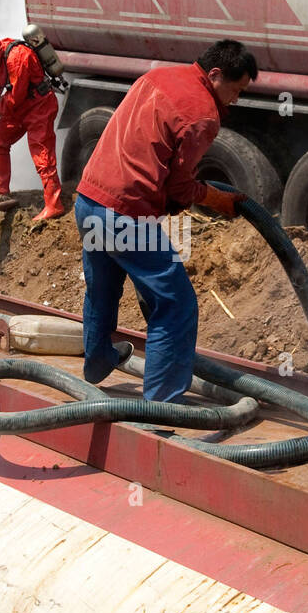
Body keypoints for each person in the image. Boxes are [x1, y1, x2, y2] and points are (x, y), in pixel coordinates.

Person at [74, 39, 257, 402]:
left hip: (89, 200)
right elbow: (179, 184)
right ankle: (161, 408)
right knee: (175, 305)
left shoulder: (157, 77)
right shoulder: (204, 114)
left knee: (103, 289)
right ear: (216, 74)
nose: (235, 100)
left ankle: (97, 362)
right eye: (235, 91)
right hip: (126, 217)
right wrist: (216, 198)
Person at [0, 32, 65, 221]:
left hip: (39, 107)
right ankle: (0, 185)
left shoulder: (17, 56)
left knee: (42, 155)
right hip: (19, 108)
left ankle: (54, 205)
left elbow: (17, 95)